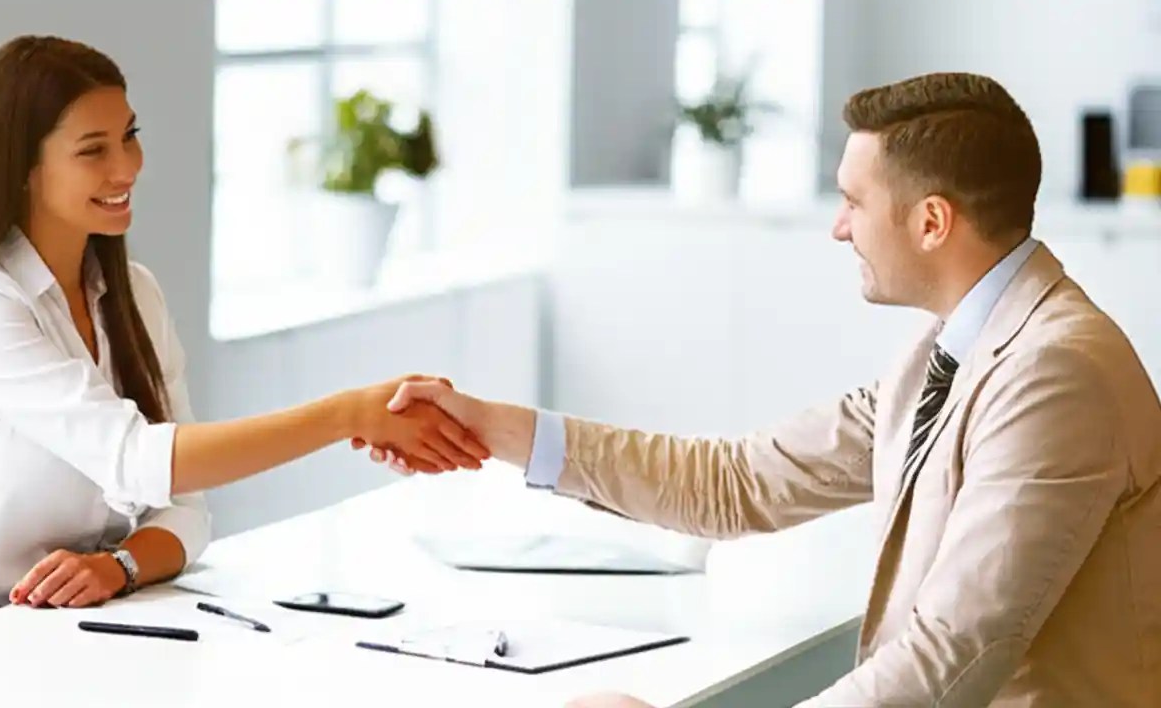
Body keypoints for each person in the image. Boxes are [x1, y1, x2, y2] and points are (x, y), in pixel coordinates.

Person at [356, 73, 1161, 706]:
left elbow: (953, 659)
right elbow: (738, 480)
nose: (838, 227)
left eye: (853, 202)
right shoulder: (951, 349)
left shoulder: (1058, 374)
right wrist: (494, 429)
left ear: (932, 223)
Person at [0, 35, 488, 643]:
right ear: (20, 169)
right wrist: (346, 415)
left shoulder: (133, 293)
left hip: (65, 627)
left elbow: (186, 512)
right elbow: (140, 460)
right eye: (93, 150)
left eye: (129, 135)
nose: (127, 167)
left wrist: (118, 565)